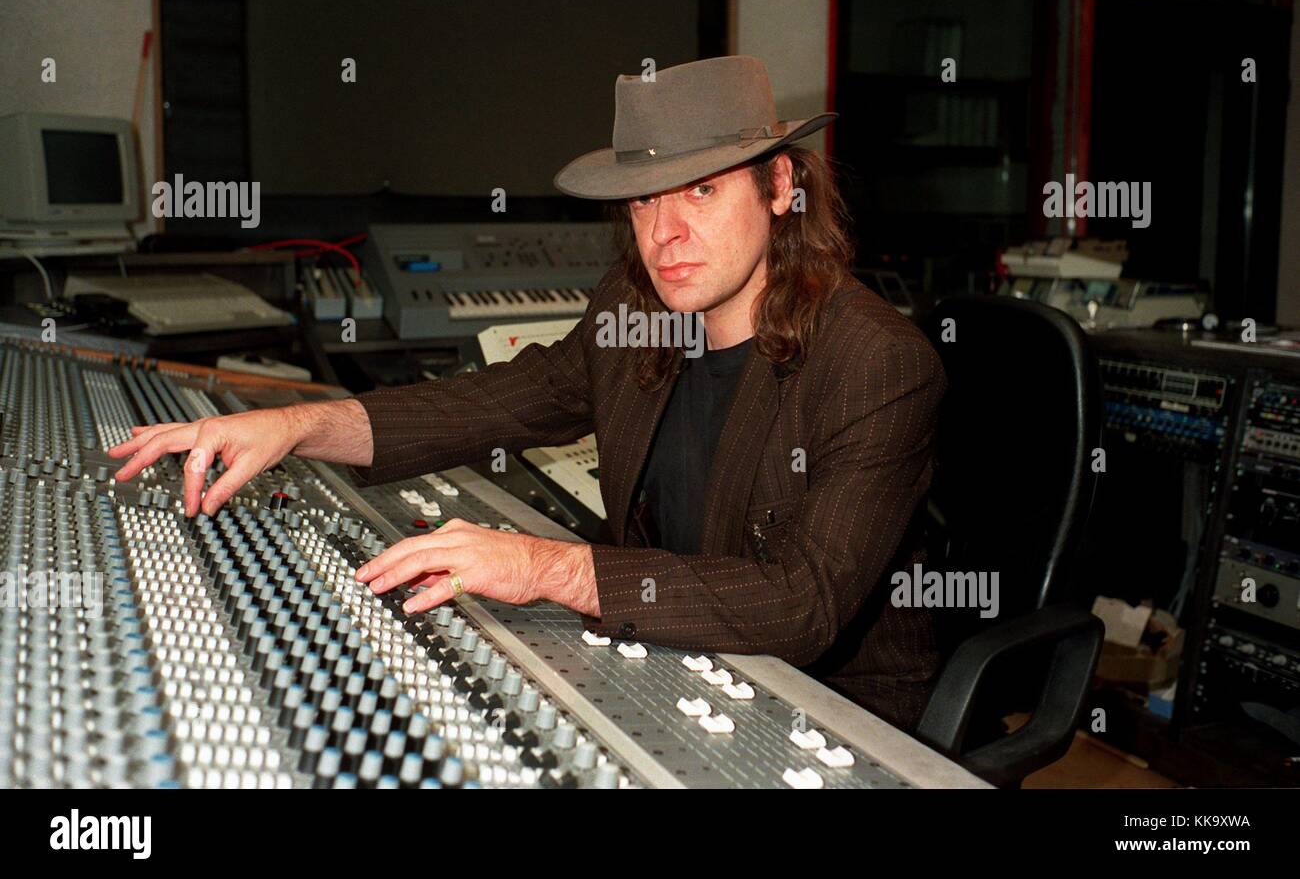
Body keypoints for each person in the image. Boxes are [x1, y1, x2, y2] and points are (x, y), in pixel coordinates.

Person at [109, 55, 948, 730]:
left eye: (703, 189)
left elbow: (803, 604)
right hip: (674, 652)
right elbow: (489, 401)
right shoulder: (638, 313)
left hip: (834, 706)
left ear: (778, 187)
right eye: (644, 200)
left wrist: (544, 565)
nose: (666, 234)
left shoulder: (875, 362)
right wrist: (297, 424)